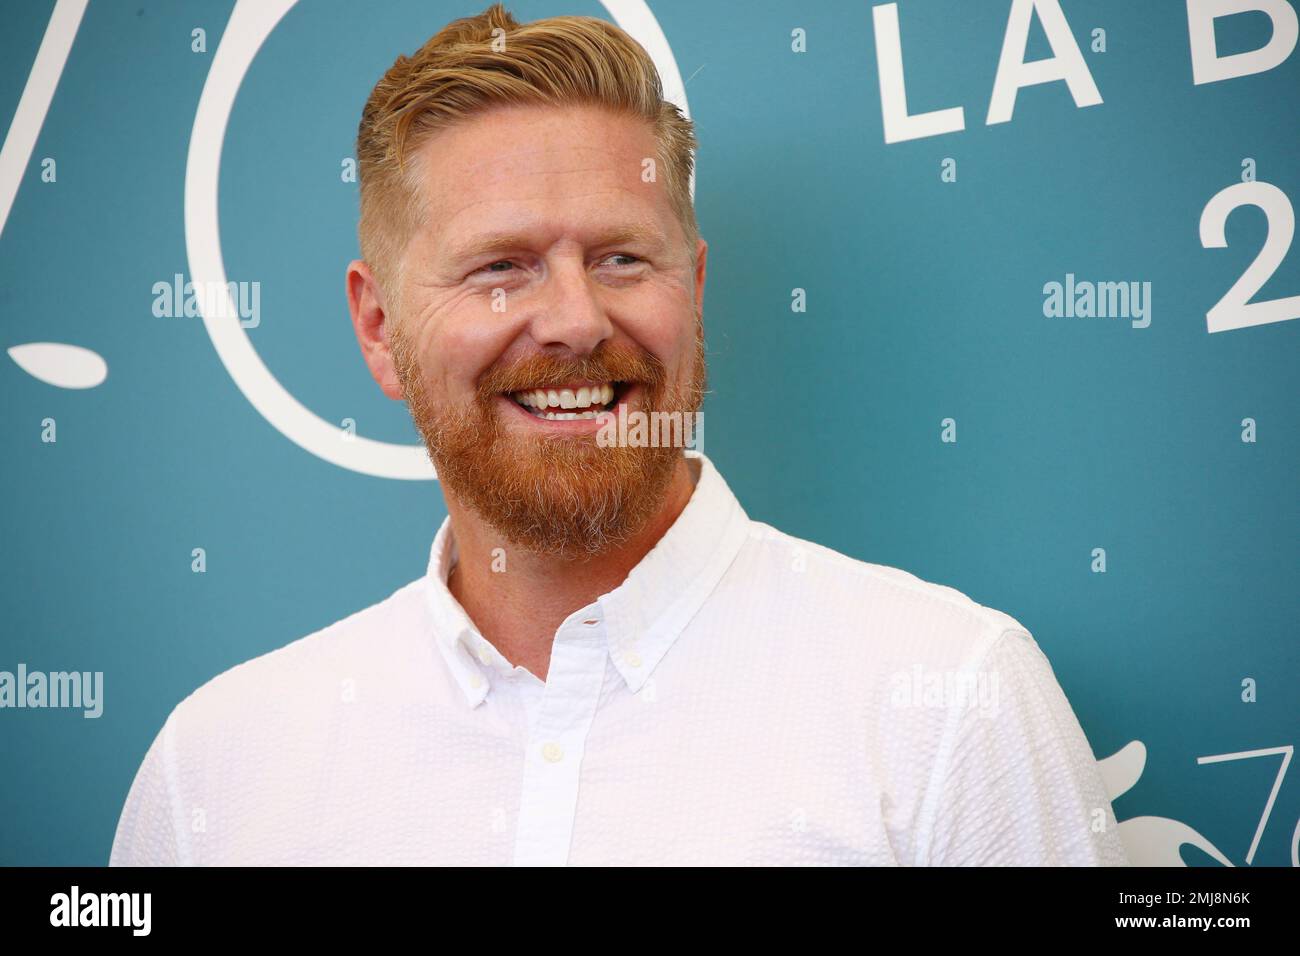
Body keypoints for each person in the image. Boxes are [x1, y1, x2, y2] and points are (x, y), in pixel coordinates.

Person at [109, 3, 1128, 866]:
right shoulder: (217, 773)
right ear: (380, 328)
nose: (574, 320)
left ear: (693, 286)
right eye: (500, 265)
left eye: (622, 259)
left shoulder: (954, 703)